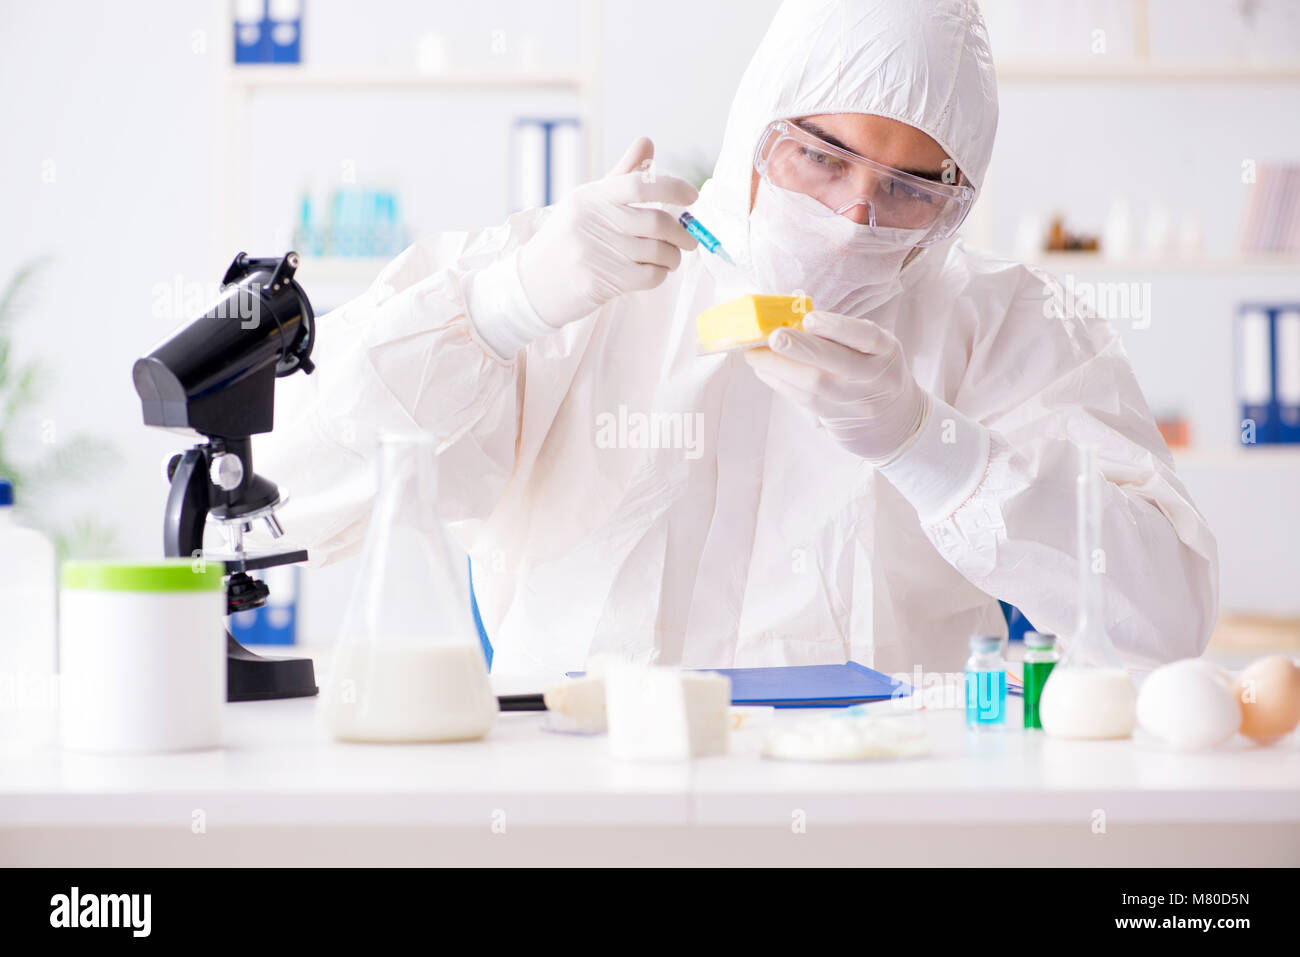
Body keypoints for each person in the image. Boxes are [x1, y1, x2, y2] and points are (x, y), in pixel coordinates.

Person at [259, 0, 1217, 679]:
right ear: (758, 124)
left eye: (911, 188)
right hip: (584, 805)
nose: (855, 215)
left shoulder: (1007, 325)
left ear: (956, 202)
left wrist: (927, 445)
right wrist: (508, 304)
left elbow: (1165, 623)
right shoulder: (578, 264)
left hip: (886, 809)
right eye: (821, 154)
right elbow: (282, 501)